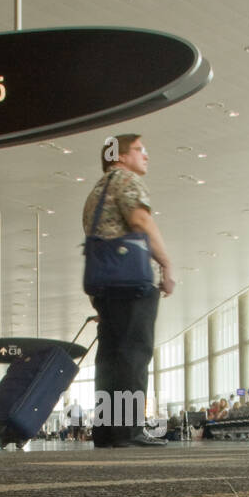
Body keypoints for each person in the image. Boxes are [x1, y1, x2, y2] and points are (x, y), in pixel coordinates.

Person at [82, 134, 172, 448]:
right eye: (138, 149)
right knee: (134, 353)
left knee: (110, 357)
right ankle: (129, 430)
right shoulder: (125, 180)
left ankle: (108, 430)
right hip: (131, 281)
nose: (145, 155)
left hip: (104, 283)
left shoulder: (97, 190)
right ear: (119, 156)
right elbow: (140, 220)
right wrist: (166, 263)